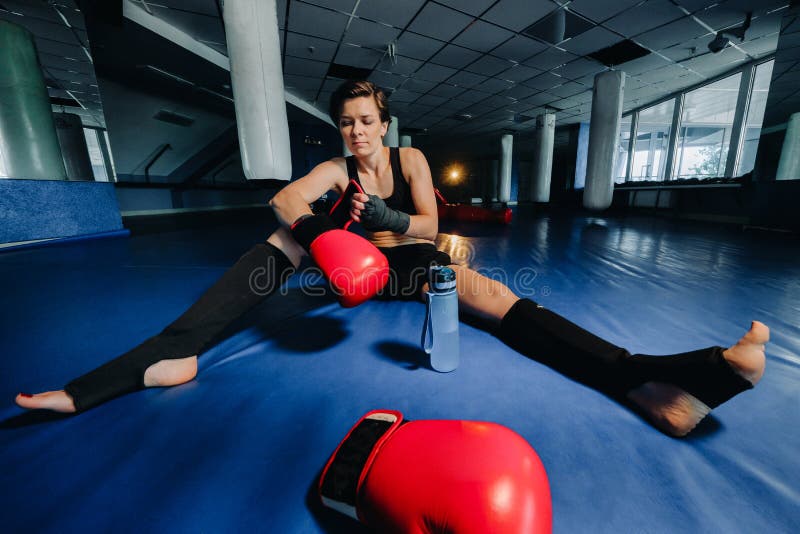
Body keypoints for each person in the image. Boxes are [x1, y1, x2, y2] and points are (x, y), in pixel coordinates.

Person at [15, 80, 767, 437]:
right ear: (341, 128)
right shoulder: (336, 171)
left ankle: (649, 384)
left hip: (405, 267)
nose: (358, 132)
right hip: (337, 277)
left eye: (366, 120)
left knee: (496, 299)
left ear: (384, 121)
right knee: (276, 242)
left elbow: (434, 222)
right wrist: (327, 236)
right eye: (347, 123)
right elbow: (283, 200)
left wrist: (385, 219)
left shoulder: (408, 157)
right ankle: (157, 360)